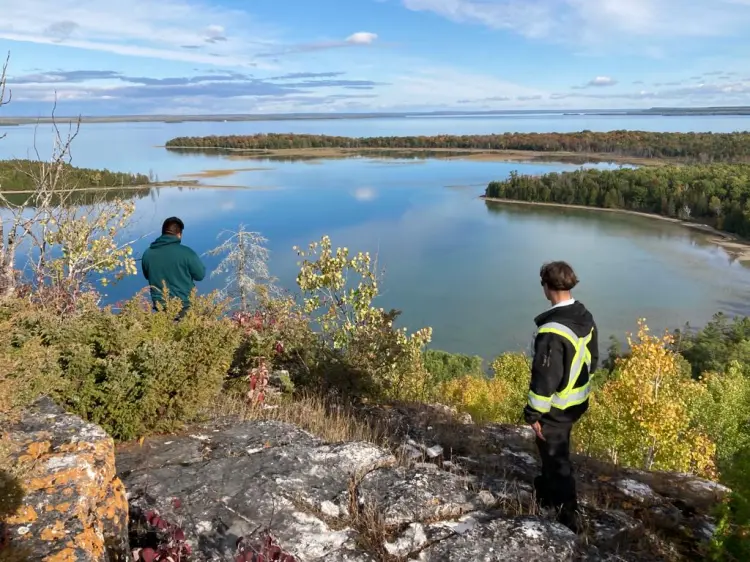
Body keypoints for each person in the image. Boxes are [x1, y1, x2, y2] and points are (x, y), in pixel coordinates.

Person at [524, 261, 598, 533]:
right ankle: (544, 493)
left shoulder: (552, 331)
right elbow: (594, 359)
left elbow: (544, 380)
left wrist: (533, 415)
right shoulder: (584, 316)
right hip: (576, 402)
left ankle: (568, 518)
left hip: (555, 409)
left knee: (557, 458)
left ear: (546, 287)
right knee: (554, 453)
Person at [141, 217, 206, 317]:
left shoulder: (147, 253)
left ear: (163, 232)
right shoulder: (187, 253)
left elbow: (147, 275)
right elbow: (200, 275)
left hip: (161, 306)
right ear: (179, 234)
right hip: (184, 305)